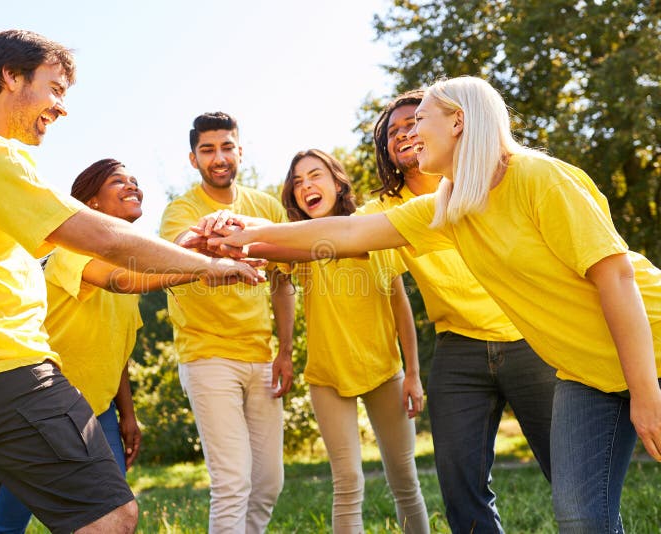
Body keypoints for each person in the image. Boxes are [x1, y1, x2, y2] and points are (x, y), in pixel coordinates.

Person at [202, 75, 661, 533]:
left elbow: (616, 276)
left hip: (651, 345)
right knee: (581, 517)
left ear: (458, 122)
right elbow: (346, 233)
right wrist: (243, 236)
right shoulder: (448, 207)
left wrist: (644, 392)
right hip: (588, 373)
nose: (407, 134)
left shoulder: (539, 178)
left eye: (419, 120)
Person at [0, 30, 261, 534]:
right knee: (111, 515)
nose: (62, 107)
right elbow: (99, 239)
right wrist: (210, 267)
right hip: (0, 369)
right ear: (10, 76)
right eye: (56, 88)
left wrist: (183, 254)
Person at [356, 90, 556, 532]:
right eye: (393, 131)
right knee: (461, 489)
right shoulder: (389, 208)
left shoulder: (488, 179)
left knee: (569, 473)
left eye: (414, 122)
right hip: (458, 350)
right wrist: (254, 234)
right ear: (385, 148)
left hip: (529, 338)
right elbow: (336, 230)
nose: (404, 133)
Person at [0, 158, 198, 533]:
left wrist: (127, 415)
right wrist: (201, 266)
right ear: (92, 203)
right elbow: (118, 280)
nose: (133, 185)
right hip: (40, 407)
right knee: (5, 524)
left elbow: (115, 351)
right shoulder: (71, 251)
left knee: (111, 516)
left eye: (134, 179)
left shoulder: (133, 271)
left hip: (98, 413)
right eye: (118, 181)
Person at [159, 111, 296, 533]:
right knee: (233, 480)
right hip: (207, 356)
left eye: (226, 147)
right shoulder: (179, 211)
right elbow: (173, 257)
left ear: (240, 151)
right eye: (208, 150)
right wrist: (205, 244)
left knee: (269, 482)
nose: (218, 158)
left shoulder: (266, 207)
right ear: (193, 158)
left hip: (261, 356)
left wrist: (286, 352)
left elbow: (283, 282)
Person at [280, 149, 430, 533]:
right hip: (328, 377)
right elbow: (277, 283)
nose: (306, 186)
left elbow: (401, 305)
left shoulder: (372, 226)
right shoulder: (296, 242)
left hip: (384, 371)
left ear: (337, 181)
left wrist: (412, 373)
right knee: (347, 484)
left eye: (315, 176)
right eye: (298, 182)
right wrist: (283, 350)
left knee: (405, 480)